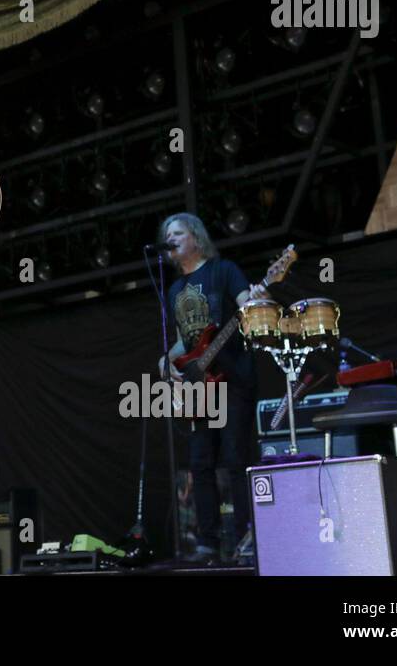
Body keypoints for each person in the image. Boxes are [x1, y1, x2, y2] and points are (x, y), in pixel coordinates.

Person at [158, 212, 265, 565]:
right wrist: (167, 361)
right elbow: (182, 341)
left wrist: (256, 299)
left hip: (232, 377)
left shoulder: (224, 270)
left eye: (177, 233)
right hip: (200, 383)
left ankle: (249, 537)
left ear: (195, 237)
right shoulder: (174, 289)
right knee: (200, 463)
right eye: (167, 235)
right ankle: (208, 543)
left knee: (235, 458)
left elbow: (246, 308)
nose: (171, 239)